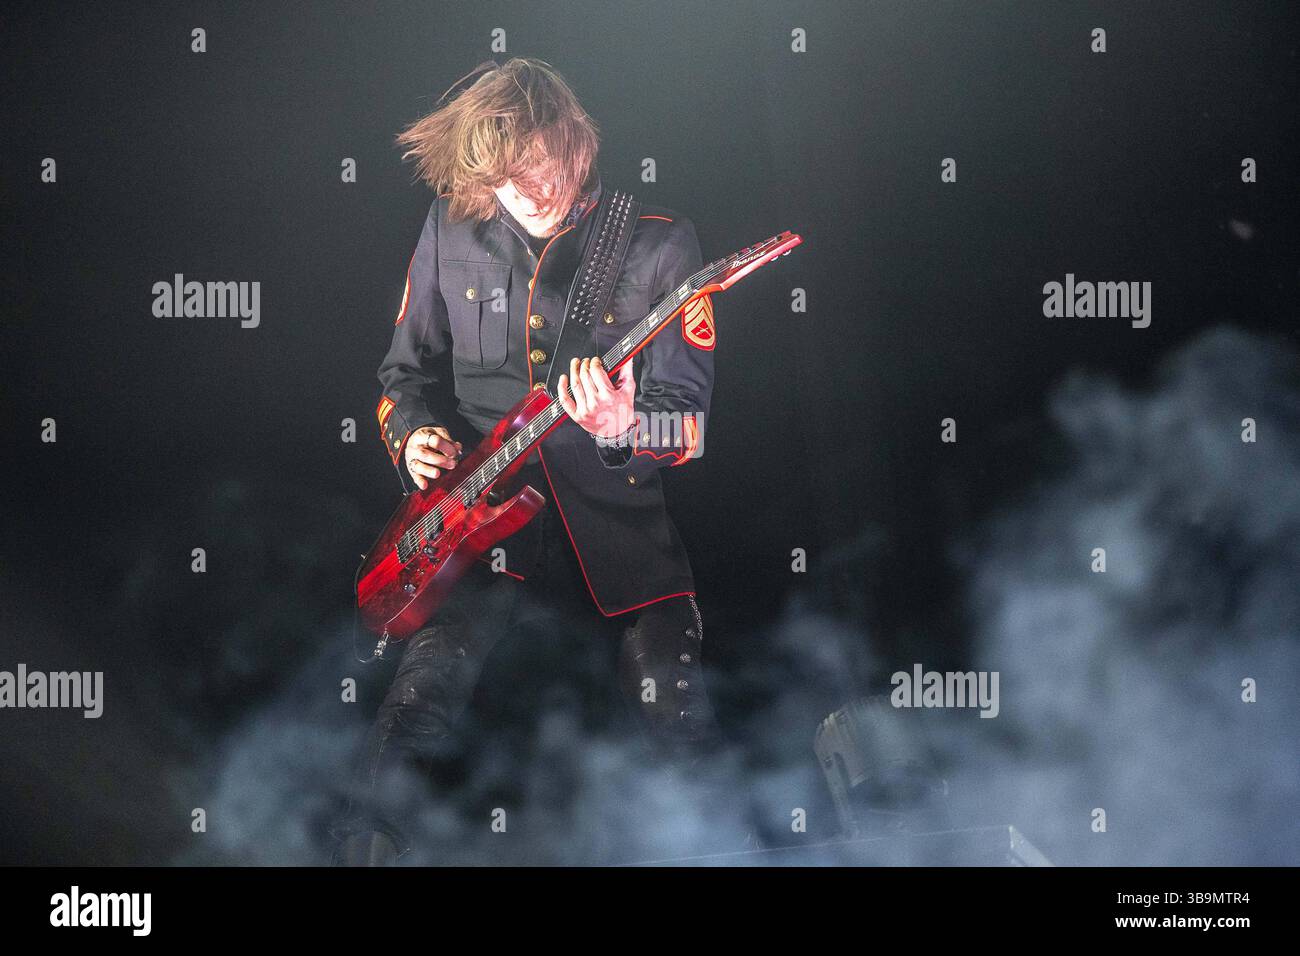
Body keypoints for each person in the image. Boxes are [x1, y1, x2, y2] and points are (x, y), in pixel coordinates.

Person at [334, 58, 724, 865]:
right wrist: (411, 438)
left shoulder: (658, 242)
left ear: (576, 143)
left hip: (617, 532)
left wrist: (623, 422)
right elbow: (400, 377)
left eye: (542, 166)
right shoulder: (452, 226)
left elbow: (686, 425)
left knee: (675, 710)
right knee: (418, 701)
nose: (529, 191)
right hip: (479, 534)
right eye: (507, 180)